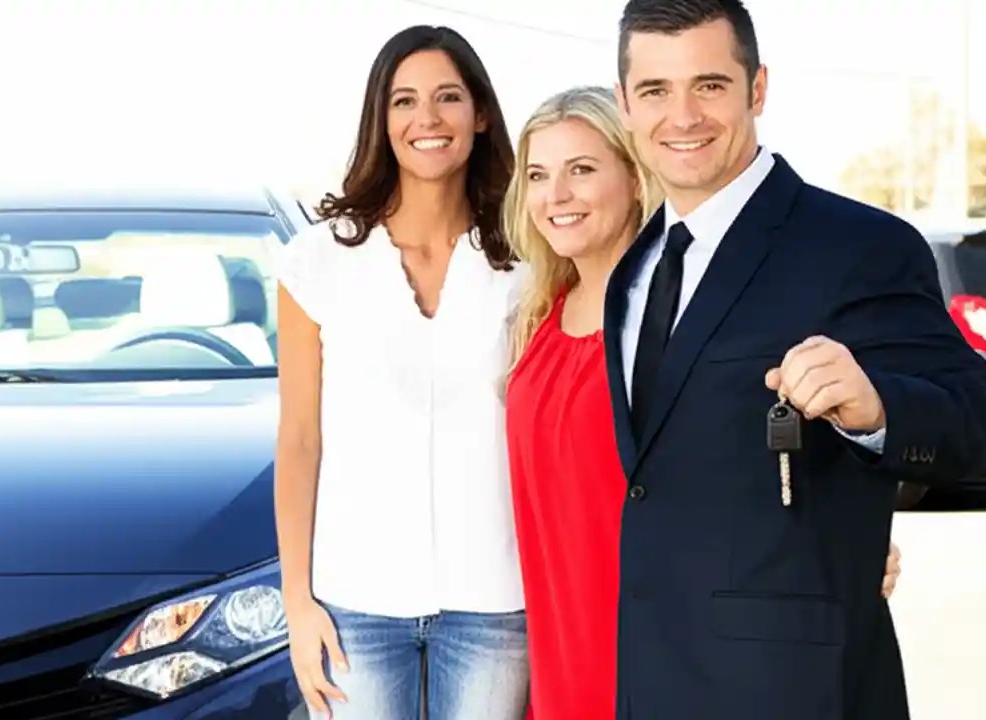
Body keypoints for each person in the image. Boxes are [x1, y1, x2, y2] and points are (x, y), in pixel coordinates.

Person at [596, 1, 986, 717]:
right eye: (655, 90)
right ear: (625, 103)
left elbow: (980, 425)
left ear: (758, 89)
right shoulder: (635, 267)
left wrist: (878, 411)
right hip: (654, 681)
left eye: (710, 85)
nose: (682, 115)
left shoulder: (858, 246)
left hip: (801, 691)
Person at [502, 85, 905, 720]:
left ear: (636, 179)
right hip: (557, 646)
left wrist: (845, 542)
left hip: (668, 649)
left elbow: (758, 454)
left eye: (581, 170)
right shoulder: (533, 321)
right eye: (537, 175)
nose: (556, 196)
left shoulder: (685, 320)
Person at [272, 25, 529, 720]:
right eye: (404, 101)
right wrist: (297, 604)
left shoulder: (528, 260)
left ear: (480, 114)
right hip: (354, 603)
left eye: (448, 97)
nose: (428, 119)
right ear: (380, 121)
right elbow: (299, 441)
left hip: (496, 602)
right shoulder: (315, 262)